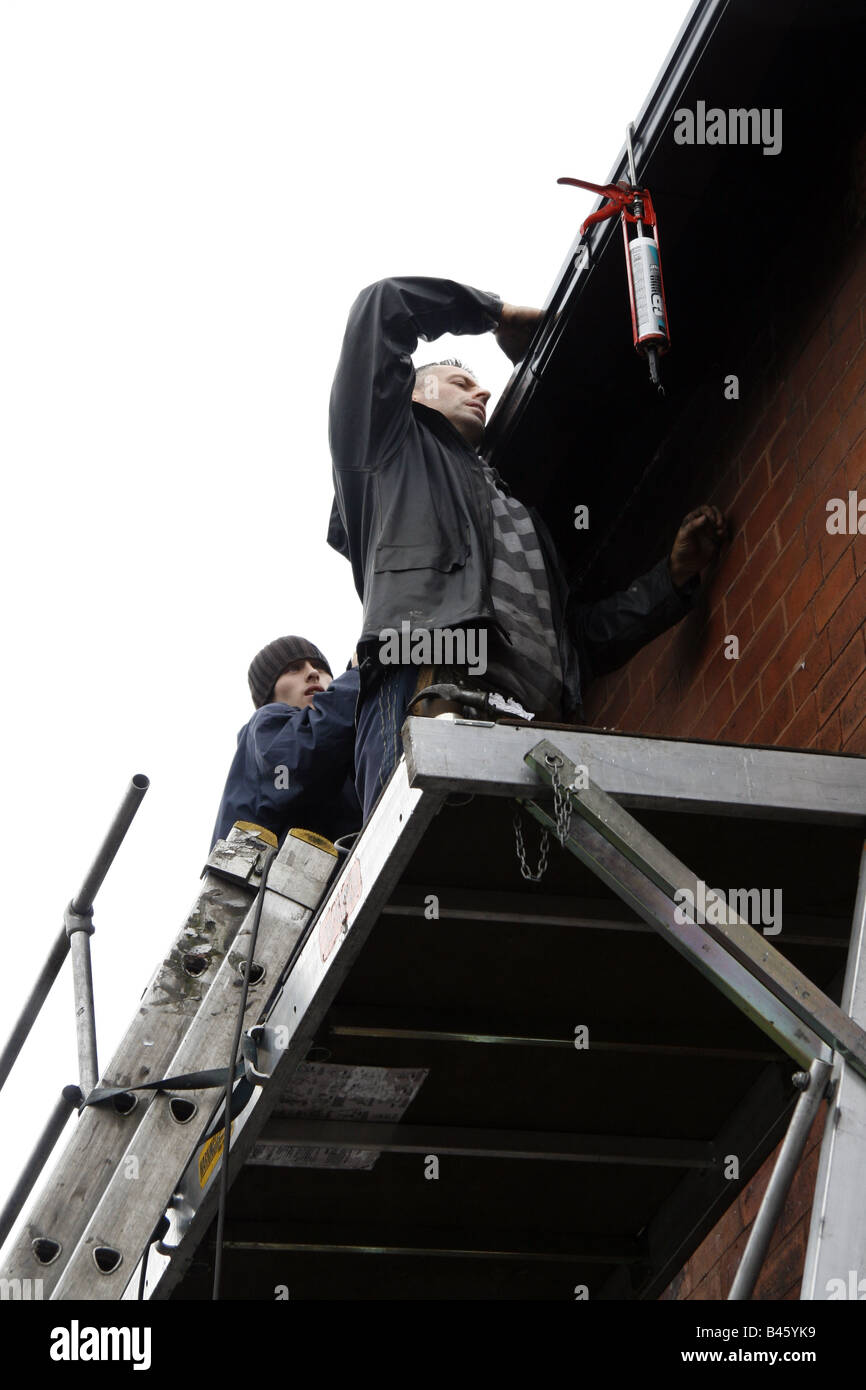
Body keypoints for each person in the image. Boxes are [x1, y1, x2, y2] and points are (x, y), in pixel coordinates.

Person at [327, 277, 726, 819]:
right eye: (461, 381)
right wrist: (495, 315)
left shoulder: (517, 517)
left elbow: (576, 643)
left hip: (539, 740)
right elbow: (381, 306)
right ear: (414, 394)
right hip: (429, 688)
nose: (484, 391)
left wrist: (671, 581)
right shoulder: (386, 449)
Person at [211, 635, 361, 850]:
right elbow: (299, 768)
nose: (312, 673)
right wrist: (357, 677)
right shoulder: (265, 725)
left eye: (319, 666)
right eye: (293, 669)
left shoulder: (344, 741)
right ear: (270, 693)